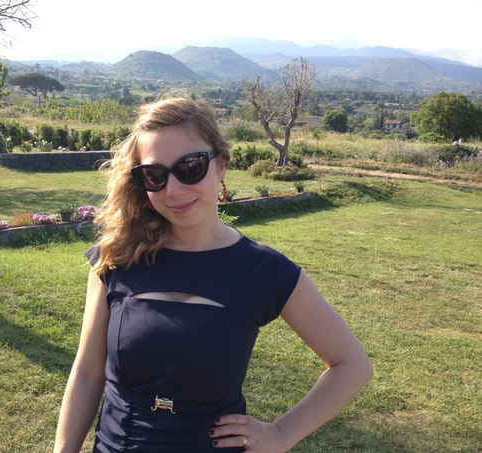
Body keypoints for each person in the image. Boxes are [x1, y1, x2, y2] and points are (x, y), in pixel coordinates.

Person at [54, 97, 373, 452]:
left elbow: (352, 365)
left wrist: (282, 434)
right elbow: (88, 373)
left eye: (190, 167)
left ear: (220, 165)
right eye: (155, 175)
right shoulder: (117, 257)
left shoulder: (263, 270)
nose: (174, 190)